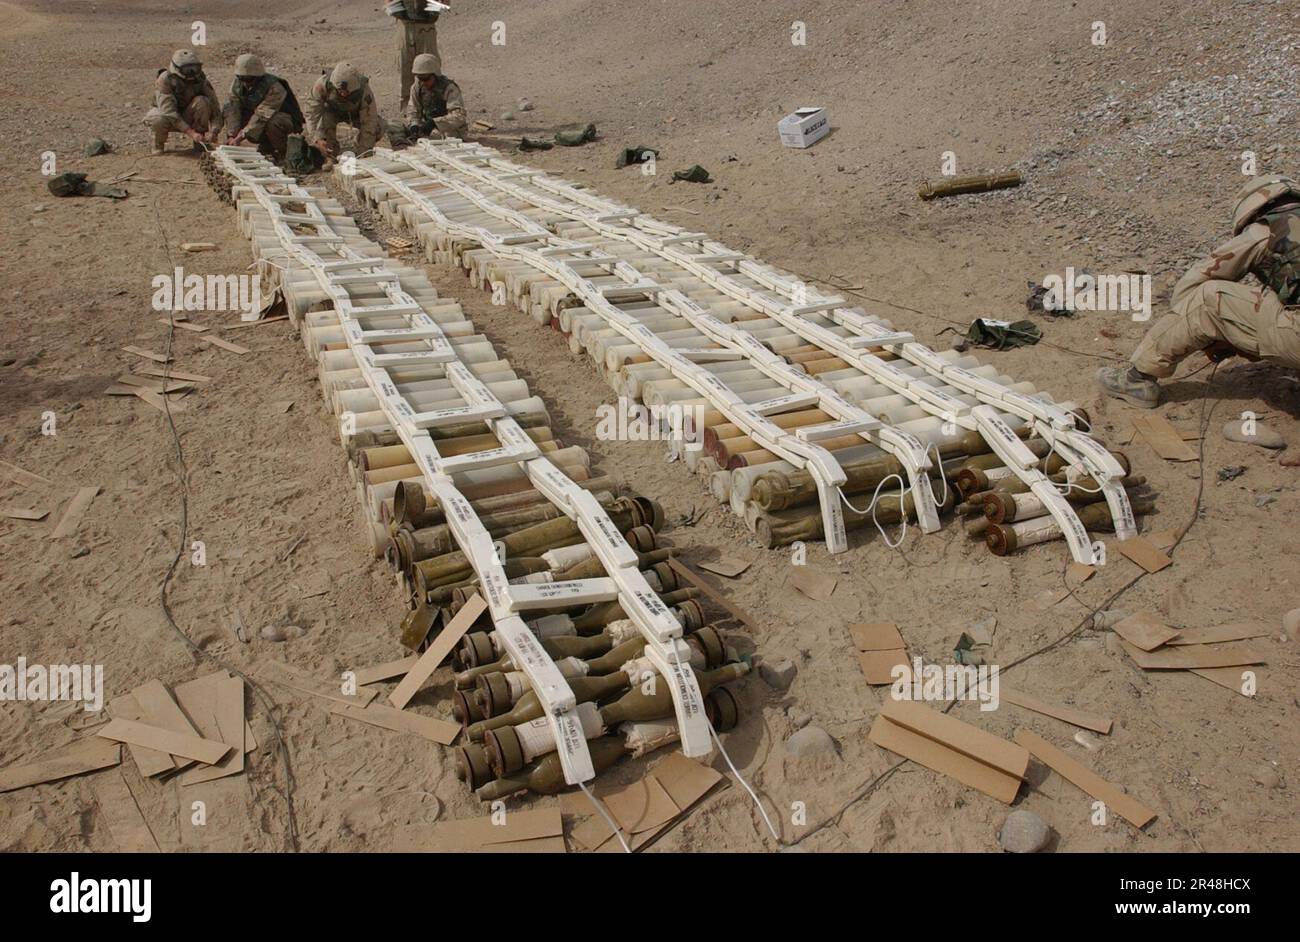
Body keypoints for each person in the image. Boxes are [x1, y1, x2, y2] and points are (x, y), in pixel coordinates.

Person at [1097, 174, 1300, 408]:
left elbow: (1191, 289)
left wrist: (1217, 339)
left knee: (1208, 298)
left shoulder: (1266, 230)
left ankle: (1137, 380)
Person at [222, 54, 304, 161]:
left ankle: (283, 151)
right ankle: (266, 146)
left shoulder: (275, 87)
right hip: (258, 123)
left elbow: (262, 115)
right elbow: (234, 110)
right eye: (241, 78)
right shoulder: (237, 85)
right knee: (230, 108)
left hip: (284, 123)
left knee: (273, 121)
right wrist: (232, 135)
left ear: (258, 77)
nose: (245, 83)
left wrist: (240, 136)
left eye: (249, 79)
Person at [303, 62, 388, 164]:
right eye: (339, 90)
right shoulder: (322, 85)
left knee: (379, 127)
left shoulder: (364, 91)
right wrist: (317, 138)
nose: (343, 94)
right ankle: (330, 153)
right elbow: (311, 113)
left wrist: (363, 153)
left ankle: (359, 146)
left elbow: (369, 121)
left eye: (346, 92)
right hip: (331, 113)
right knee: (323, 124)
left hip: (355, 115)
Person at [143, 49, 223, 156]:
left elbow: (215, 108)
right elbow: (168, 111)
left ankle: (200, 142)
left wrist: (214, 131)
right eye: (187, 69)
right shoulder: (165, 80)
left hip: (187, 114)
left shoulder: (200, 80)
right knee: (157, 117)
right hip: (168, 117)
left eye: (194, 68)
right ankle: (158, 144)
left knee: (202, 102)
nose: (192, 72)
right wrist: (190, 132)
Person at [400, 53, 467, 143]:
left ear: (435, 75)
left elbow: (459, 117)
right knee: (394, 126)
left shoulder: (449, 88)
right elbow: (413, 110)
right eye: (420, 78)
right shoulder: (417, 87)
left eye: (426, 79)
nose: (423, 82)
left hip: (447, 130)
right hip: (427, 128)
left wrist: (434, 123)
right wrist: (414, 125)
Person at [391, 0, 442, 106]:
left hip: (426, 26)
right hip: (404, 25)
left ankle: (435, 106)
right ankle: (407, 112)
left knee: (429, 66)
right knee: (404, 69)